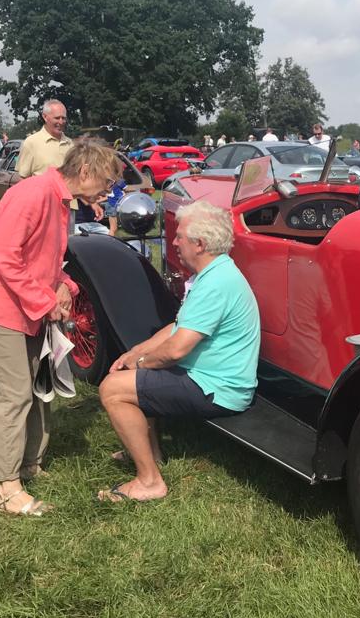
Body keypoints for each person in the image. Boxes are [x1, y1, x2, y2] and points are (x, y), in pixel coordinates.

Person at [0, 138, 121, 516]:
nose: (109, 190)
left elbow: (44, 257)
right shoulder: (33, 192)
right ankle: (8, 487)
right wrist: (46, 300)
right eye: (107, 182)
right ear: (85, 172)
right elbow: (2, 254)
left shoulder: (60, 200)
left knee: (36, 388)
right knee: (11, 397)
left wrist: (64, 286)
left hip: (25, 306)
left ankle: (30, 463)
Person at [96, 200, 260, 502]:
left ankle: (149, 482)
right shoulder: (215, 272)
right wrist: (135, 353)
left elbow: (176, 350)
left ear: (199, 244)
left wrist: (141, 363)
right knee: (138, 375)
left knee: (112, 390)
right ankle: (151, 454)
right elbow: (178, 327)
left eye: (179, 236)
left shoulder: (216, 283)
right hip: (210, 378)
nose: (173, 241)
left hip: (218, 388)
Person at [18, 100, 72, 178]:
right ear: (45, 117)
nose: (61, 122)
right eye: (57, 118)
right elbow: (22, 178)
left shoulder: (70, 144)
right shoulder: (32, 143)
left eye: (63, 118)